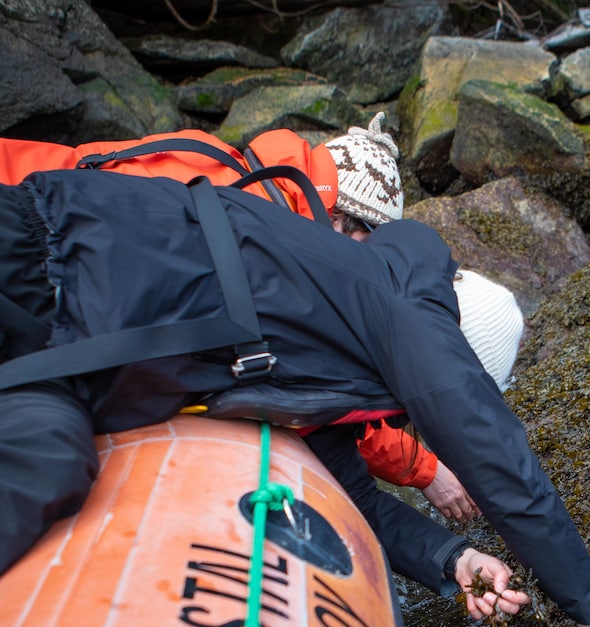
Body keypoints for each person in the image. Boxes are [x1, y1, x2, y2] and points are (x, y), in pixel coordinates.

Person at [0, 168, 590, 627]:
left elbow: (349, 499)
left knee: (50, 449)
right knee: (50, 461)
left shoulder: (341, 331)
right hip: (50, 272)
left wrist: (453, 559)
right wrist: (584, 601)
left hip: (66, 317)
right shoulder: (405, 313)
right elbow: (493, 448)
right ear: (457, 346)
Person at [0, 115, 481, 522]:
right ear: (341, 221)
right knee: (54, 462)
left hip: (28, 224)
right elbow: (321, 395)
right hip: (35, 283)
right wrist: (426, 469)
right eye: (368, 251)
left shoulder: (227, 168)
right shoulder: (269, 246)